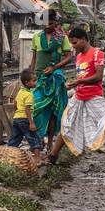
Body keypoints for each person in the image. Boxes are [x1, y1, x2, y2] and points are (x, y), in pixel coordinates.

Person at [47, 27, 105, 166]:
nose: (73, 46)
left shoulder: (97, 54)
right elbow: (82, 75)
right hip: (79, 96)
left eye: (75, 42)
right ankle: (53, 155)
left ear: (84, 40)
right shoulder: (78, 57)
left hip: (94, 97)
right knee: (67, 123)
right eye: (72, 43)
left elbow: (98, 76)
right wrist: (75, 84)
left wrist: (79, 82)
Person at [32, 15, 75, 145]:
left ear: (55, 23)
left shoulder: (62, 38)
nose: (47, 26)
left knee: (53, 112)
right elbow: (34, 58)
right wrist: (32, 73)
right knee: (37, 108)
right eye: (45, 23)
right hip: (39, 78)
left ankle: (49, 143)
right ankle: (38, 140)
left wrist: (54, 67)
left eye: (50, 23)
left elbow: (69, 57)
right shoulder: (37, 37)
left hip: (55, 79)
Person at [7, 69, 43, 154]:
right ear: (27, 83)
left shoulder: (20, 91)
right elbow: (27, 109)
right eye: (34, 81)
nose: (36, 82)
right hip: (25, 119)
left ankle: (8, 155)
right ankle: (37, 159)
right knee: (34, 139)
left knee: (15, 139)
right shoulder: (29, 95)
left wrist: (17, 112)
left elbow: (15, 103)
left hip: (17, 118)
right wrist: (31, 123)